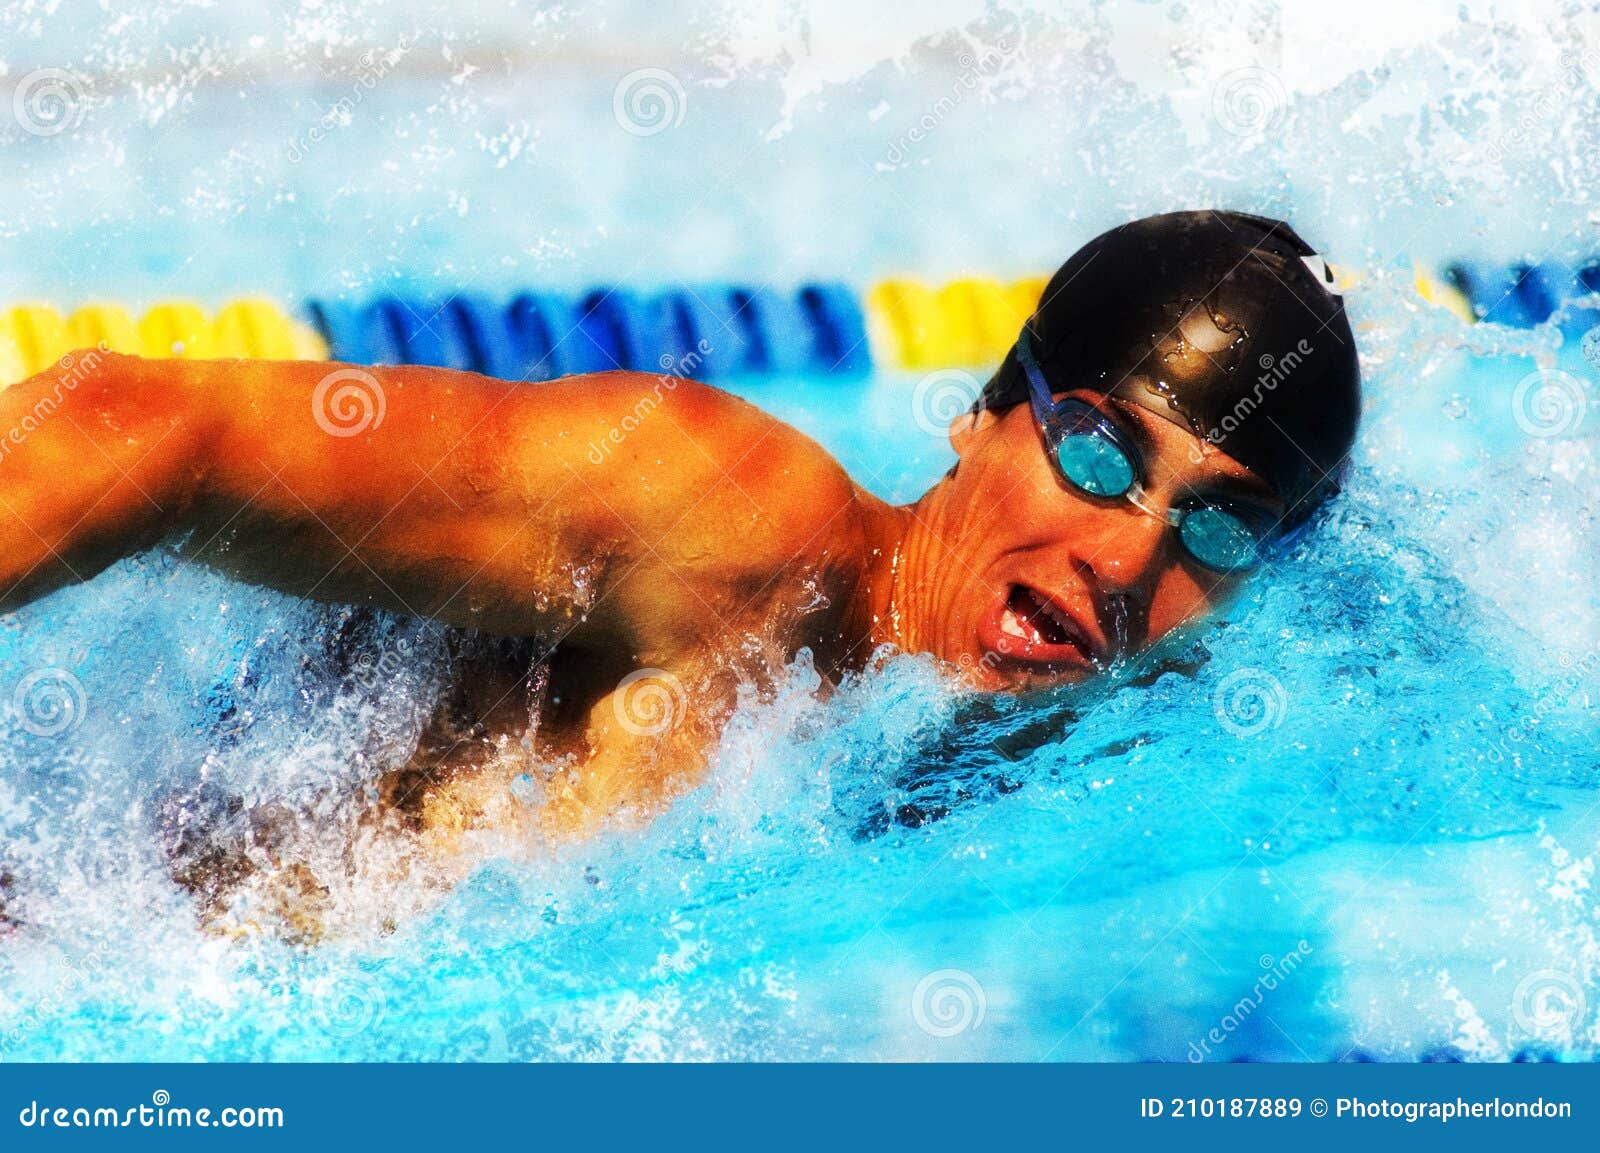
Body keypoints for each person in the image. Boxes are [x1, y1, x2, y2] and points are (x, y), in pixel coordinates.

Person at [0, 210, 1359, 927]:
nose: (1126, 555)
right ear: (988, 410)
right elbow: (136, 424)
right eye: (1100, 458)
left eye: (1219, 530)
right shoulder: (738, 523)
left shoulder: (1070, 731)